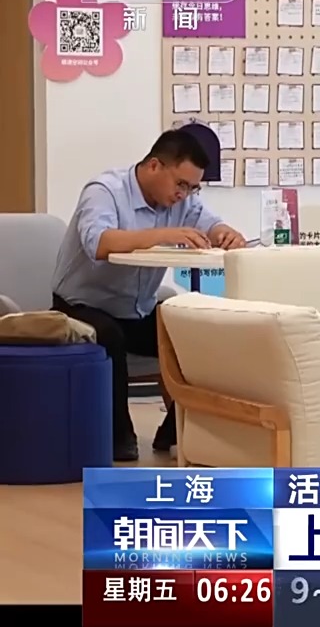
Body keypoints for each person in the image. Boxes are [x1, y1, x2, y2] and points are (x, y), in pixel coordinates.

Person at [51, 129, 248, 462]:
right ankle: (118, 437)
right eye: (181, 184)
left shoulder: (184, 202)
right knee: (108, 335)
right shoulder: (105, 191)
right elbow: (100, 243)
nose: (184, 194)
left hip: (136, 311)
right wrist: (163, 234)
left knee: (199, 329)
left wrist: (225, 233)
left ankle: (176, 432)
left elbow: (211, 224)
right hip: (80, 306)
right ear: (155, 166)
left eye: (193, 188)